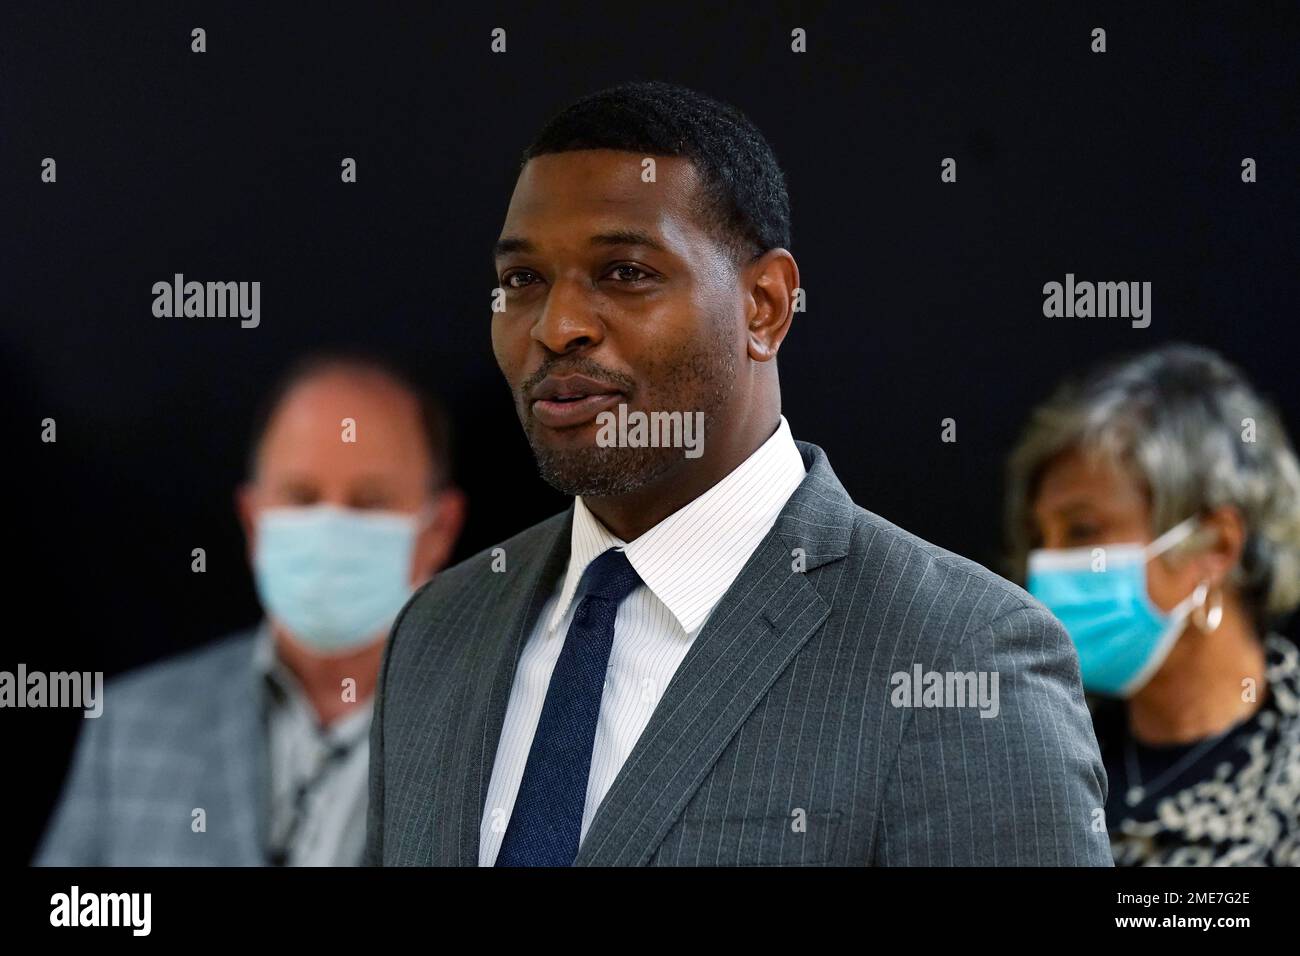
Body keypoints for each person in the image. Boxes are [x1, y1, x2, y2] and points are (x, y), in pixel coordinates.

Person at [365, 80, 1111, 867]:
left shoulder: (958, 652)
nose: (557, 327)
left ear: (765, 306)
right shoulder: (437, 633)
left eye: (625, 272)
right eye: (523, 282)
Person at [34, 354, 466, 865]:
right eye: (301, 497)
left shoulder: (505, 733)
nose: (329, 526)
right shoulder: (130, 727)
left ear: (438, 529)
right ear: (254, 520)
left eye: (369, 501)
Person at [1006, 343, 1300, 865]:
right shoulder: (1025, 757)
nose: (1042, 571)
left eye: (1082, 530)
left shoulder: (1287, 779)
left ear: (1215, 546)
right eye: (1039, 538)